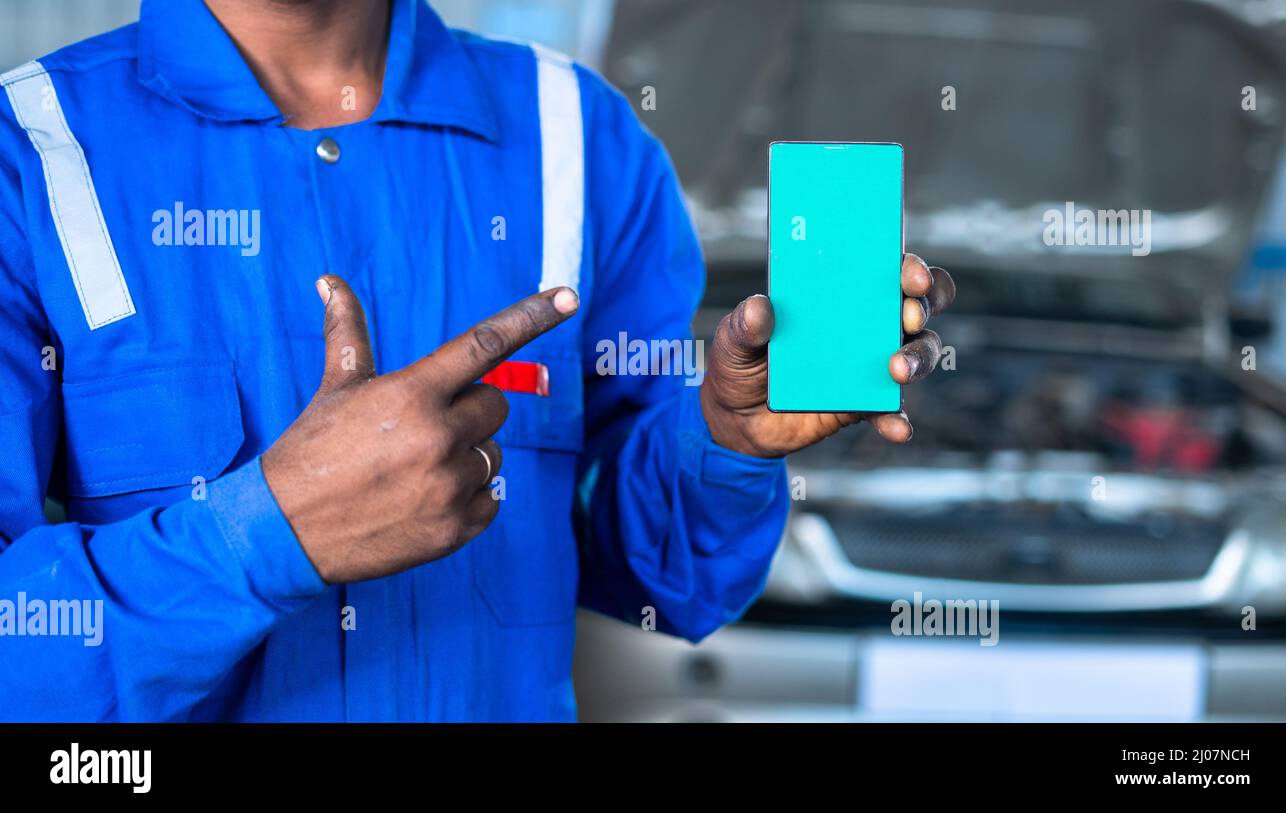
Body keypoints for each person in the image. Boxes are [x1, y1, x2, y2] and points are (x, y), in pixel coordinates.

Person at [0, 0, 953, 721]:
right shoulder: (29, 156)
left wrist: (725, 440)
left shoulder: (578, 137)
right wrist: (270, 532)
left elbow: (664, 580)